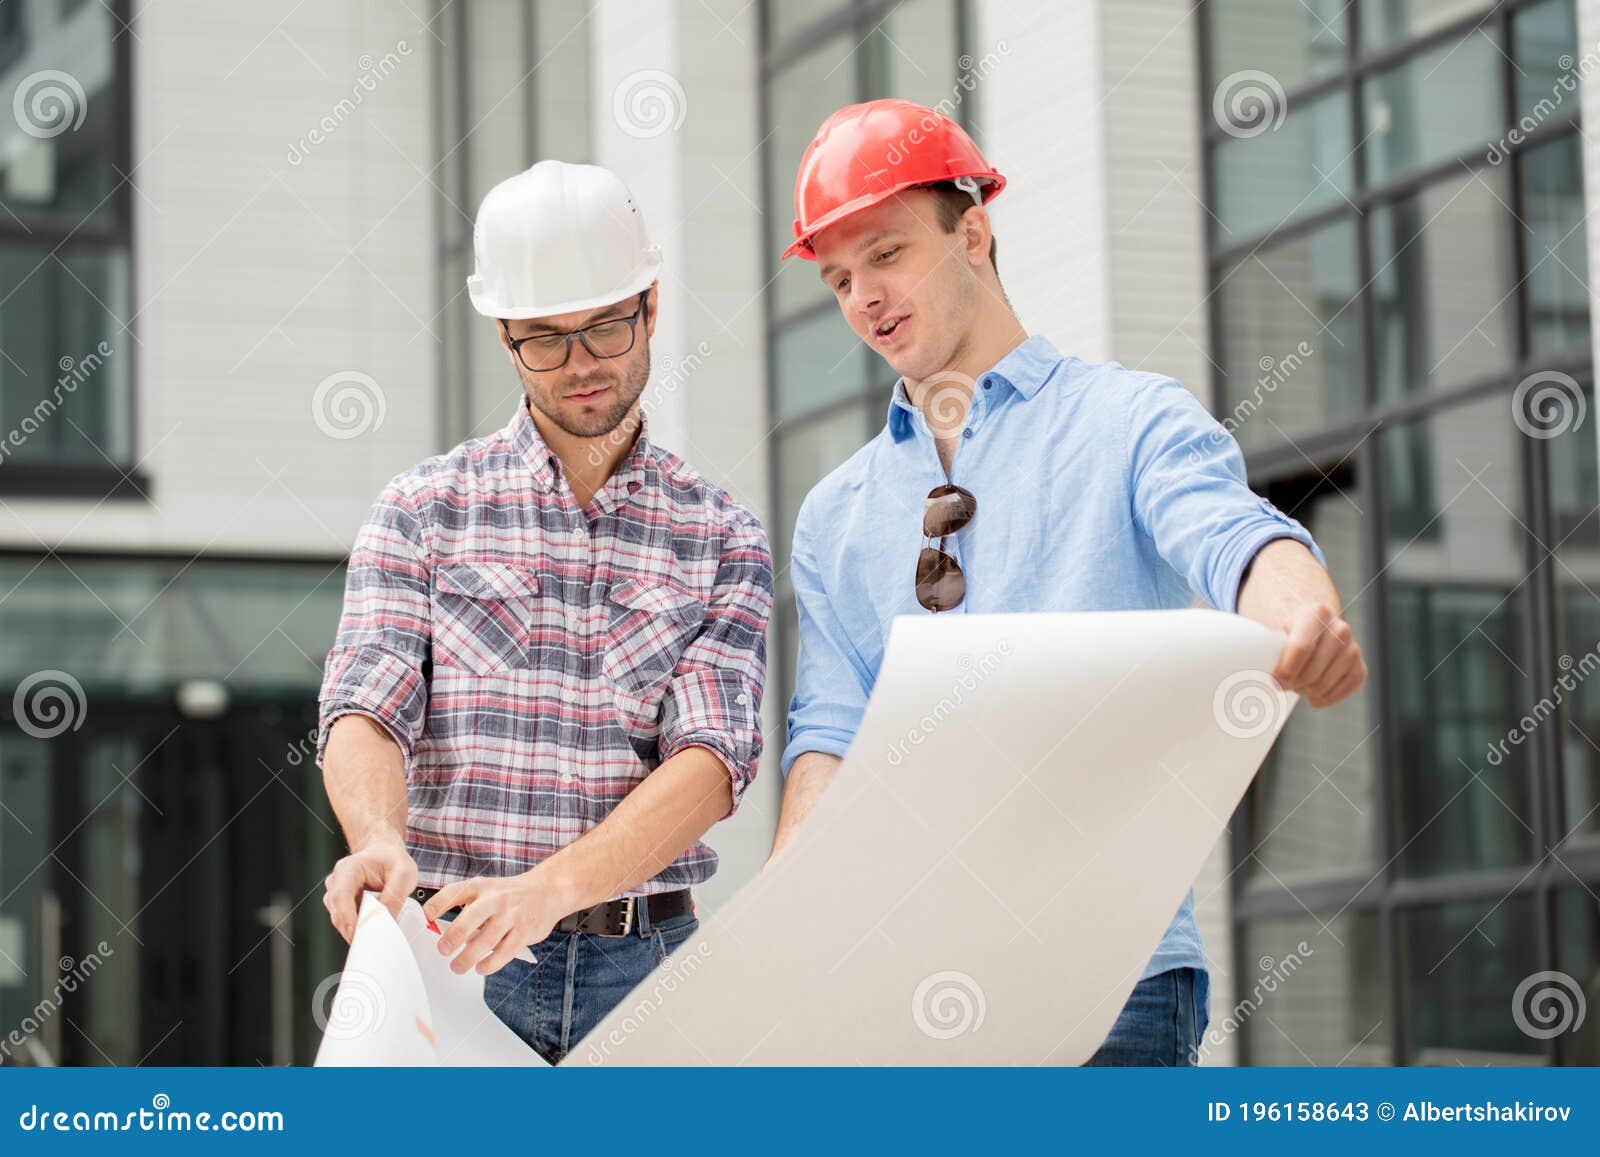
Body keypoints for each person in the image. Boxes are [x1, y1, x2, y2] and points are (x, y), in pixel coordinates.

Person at [767, 100, 1367, 1066]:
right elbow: (830, 735)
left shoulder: (1125, 420)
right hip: (913, 993)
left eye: (885, 254)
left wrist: (1305, 618)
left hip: (1112, 978)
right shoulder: (835, 515)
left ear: (973, 232)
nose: (863, 299)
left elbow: (1239, 540)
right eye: (838, 279)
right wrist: (788, 919)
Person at [317, 161, 772, 1065]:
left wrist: (548, 891)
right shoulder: (423, 510)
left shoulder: (722, 535)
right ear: (503, 333)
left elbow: (711, 762)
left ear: (650, 304)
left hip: (648, 972)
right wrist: (374, 837)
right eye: (545, 339)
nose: (580, 364)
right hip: (449, 968)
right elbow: (366, 705)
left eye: (604, 325)